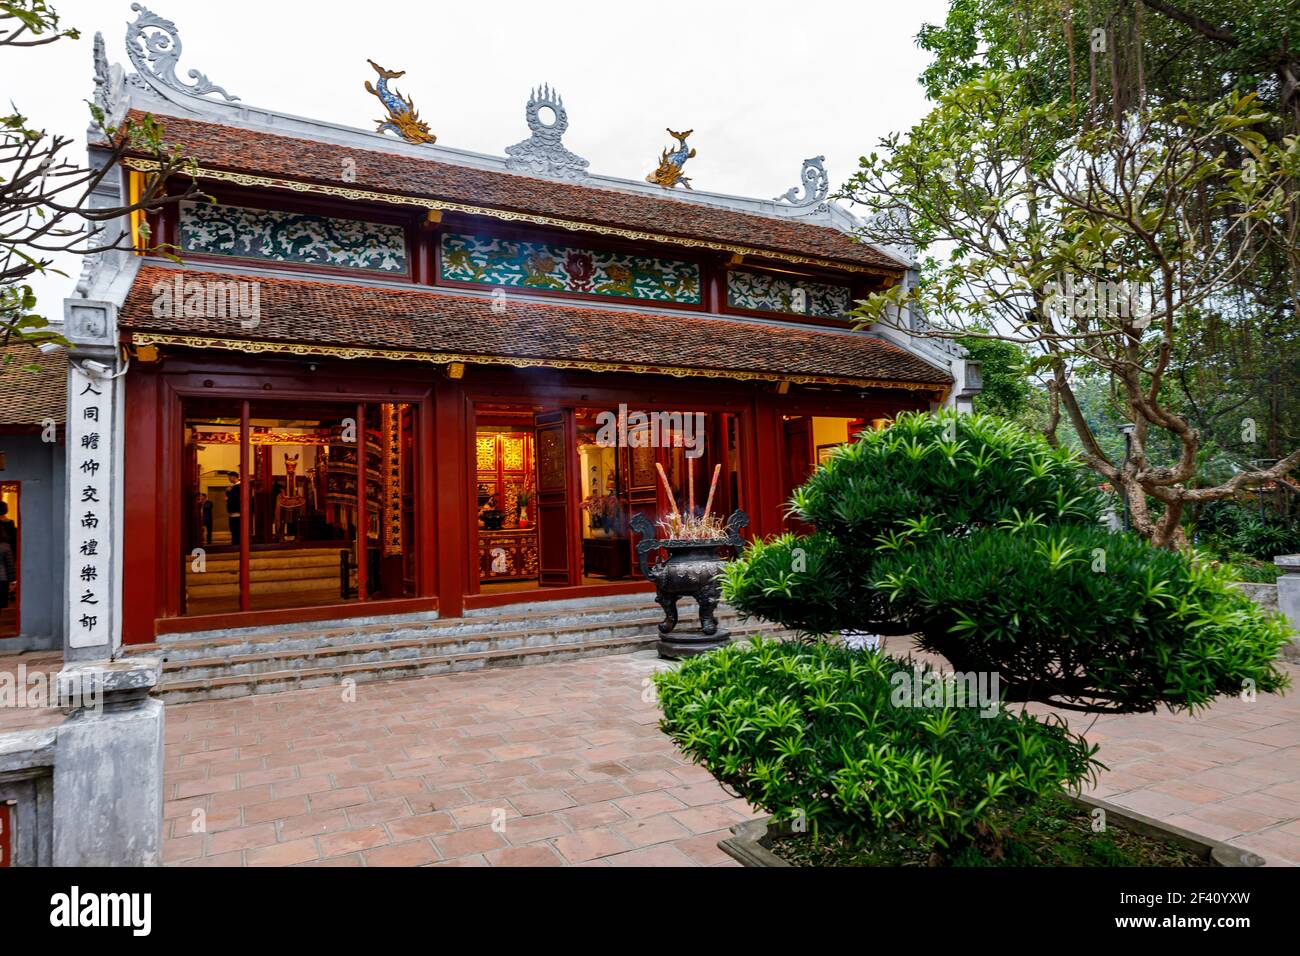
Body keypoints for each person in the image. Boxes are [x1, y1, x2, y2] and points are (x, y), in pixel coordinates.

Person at [225, 474, 242, 545]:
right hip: (234, 512)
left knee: (236, 530)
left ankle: (236, 544)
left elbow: (233, 499)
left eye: (229, 477)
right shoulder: (234, 487)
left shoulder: (237, 487)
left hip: (236, 512)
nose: (229, 479)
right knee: (234, 530)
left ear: (233, 477)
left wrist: (228, 492)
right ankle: (235, 543)